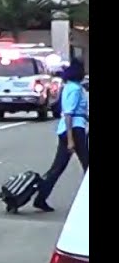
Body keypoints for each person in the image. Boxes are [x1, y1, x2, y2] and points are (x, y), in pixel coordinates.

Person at [33, 58, 88, 212]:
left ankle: (40, 197)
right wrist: (71, 139)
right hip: (74, 130)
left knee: (57, 168)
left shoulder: (68, 87)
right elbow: (70, 113)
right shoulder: (76, 89)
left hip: (67, 129)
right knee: (87, 166)